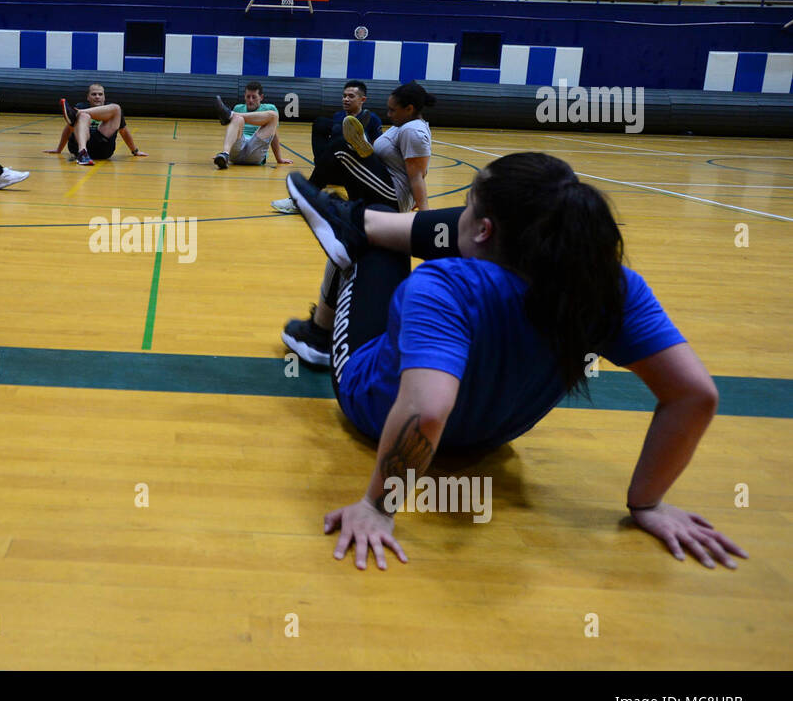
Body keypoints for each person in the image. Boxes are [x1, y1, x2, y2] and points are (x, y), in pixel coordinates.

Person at [280, 154, 745, 572]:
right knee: (413, 238)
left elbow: (428, 412)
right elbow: (695, 395)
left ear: (482, 228)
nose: (461, 213)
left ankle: (334, 297)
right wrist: (649, 503)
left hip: (374, 411)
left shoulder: (443, 285)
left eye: (468, 206)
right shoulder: (610, 287)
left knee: (373, 247)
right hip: (491, 435)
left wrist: (378, 507)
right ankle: (357, 221)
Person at [272, 80, 432, 215]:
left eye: (392, 110)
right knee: (340, 145)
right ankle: (358, 146)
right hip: (382, 184)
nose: (388, 114)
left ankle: (302, 200)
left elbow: (418, 175)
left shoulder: (413, 131)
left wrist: (424, 215)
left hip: (393, 196)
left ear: (409, 109)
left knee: (341, 147)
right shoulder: (402, 125)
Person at [272, 79, 382, 214]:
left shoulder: (372, 118)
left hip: (357, 171)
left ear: (362, 99)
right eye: (344, 96)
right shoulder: (338, 116)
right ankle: (333, 154)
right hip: (333, 168)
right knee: (321, 123)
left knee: (338, 137)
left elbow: (378, 149)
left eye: (351, 96)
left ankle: (299, 200)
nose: (346, 99)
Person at [47, 84, 145, 166]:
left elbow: (123, 131)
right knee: (84, 116)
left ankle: (78, 113)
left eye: (100, 94)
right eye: (93, 94)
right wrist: (59, 149)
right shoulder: (81, 105)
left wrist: (135, 151)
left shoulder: (110, 108)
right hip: (79, 145)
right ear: (88, 97)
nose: (97, 96)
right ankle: (83, 153)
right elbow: (68, 129)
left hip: (102, 148)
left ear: (104, 97)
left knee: (116, 108)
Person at [213, 81, 291, 170]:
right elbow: (232, 133)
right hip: (237, 151)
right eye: (248, 97)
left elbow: (274, 134)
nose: (250, 100)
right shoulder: (238, 107)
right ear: (244, 97)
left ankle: (230, 115)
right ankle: (225, 154)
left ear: (261, 97)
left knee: (273, 115)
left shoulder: (269, 108)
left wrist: (279, 159)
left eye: (254, 97)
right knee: (238, 119)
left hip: (255, 150)